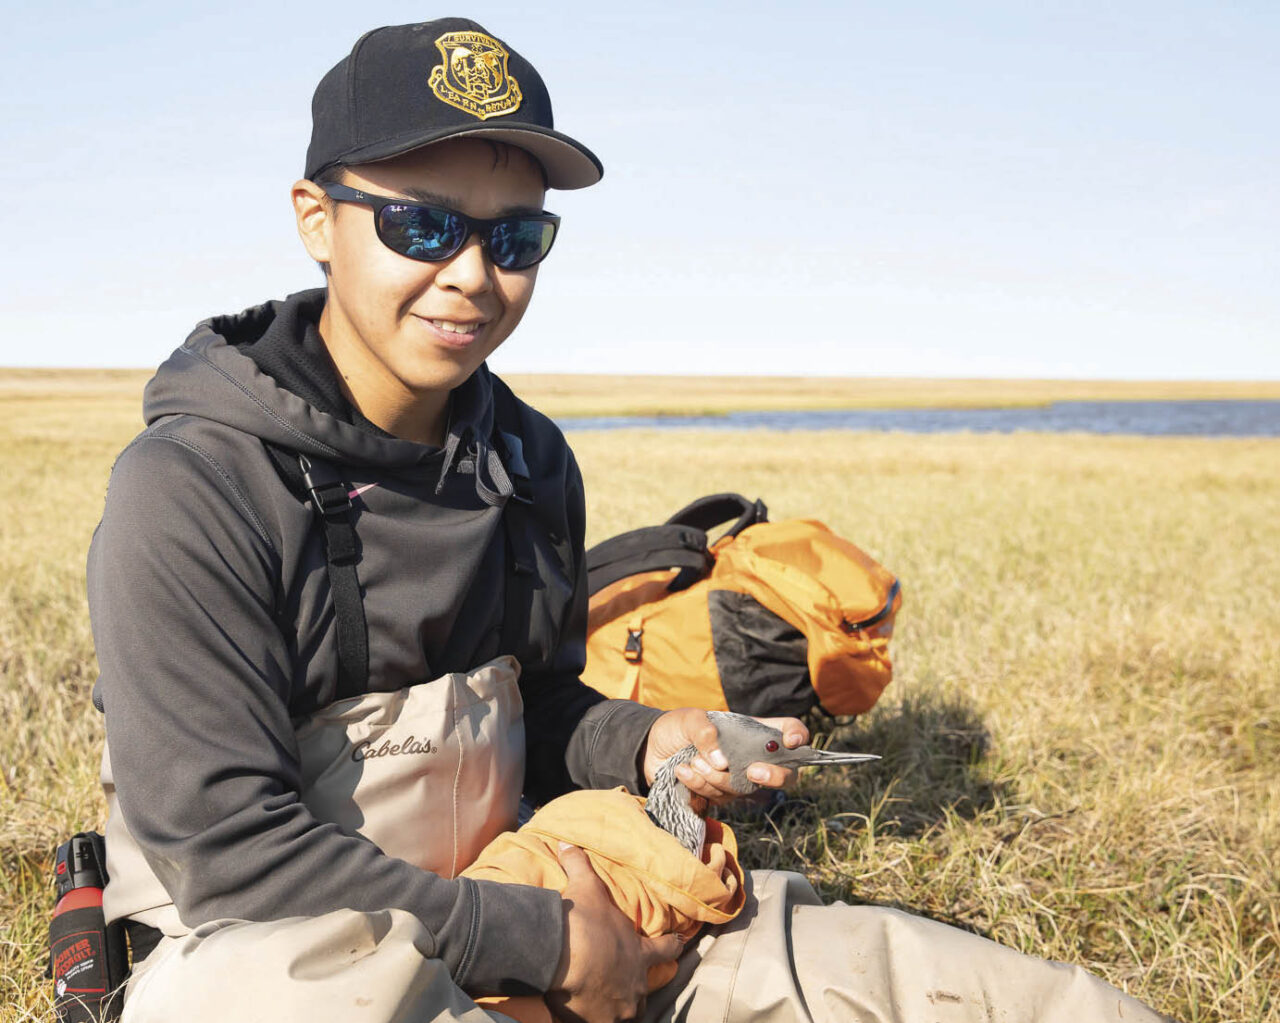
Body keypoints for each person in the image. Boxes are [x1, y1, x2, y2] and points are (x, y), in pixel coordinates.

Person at [88, 17, 1173, 1023]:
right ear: (315, 220)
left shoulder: (528, 462)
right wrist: (554, 948)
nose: (471, 276)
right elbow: (233, 858)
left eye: (516, 238)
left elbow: (538, 704)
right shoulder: (192, 489)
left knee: (961, 992)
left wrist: (649, 739)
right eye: (421, 225)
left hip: (538, 887)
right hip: (301, 954)